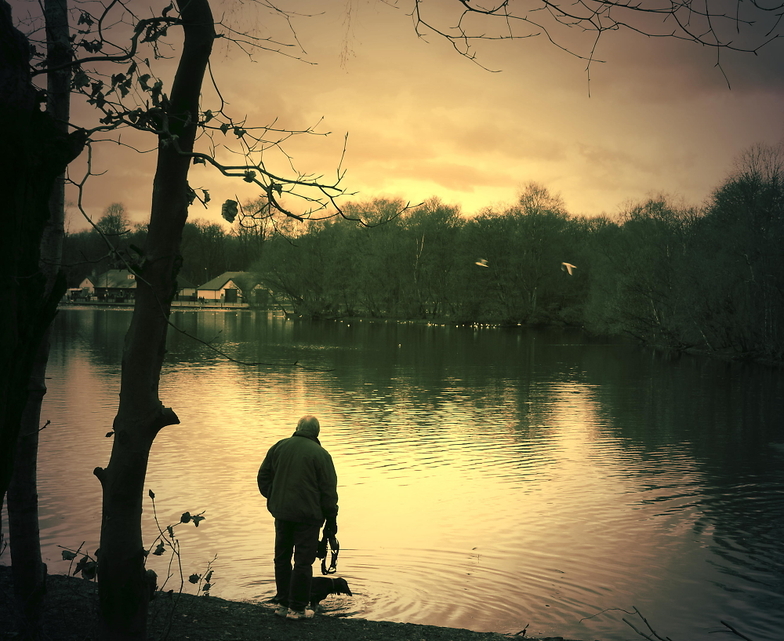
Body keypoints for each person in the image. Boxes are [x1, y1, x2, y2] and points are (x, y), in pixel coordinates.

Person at [257, 415, 339, 620]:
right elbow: (328, 491)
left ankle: (282, 604)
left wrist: (275, 497)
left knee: (282, 558)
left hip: (282, 514)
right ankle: (297, 609)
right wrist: (331, 518)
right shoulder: (321, 454)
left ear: (297, 428)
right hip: (308, 518)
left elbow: (263, 477)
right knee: (303, 561)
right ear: (317, 433)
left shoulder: (279, 447)